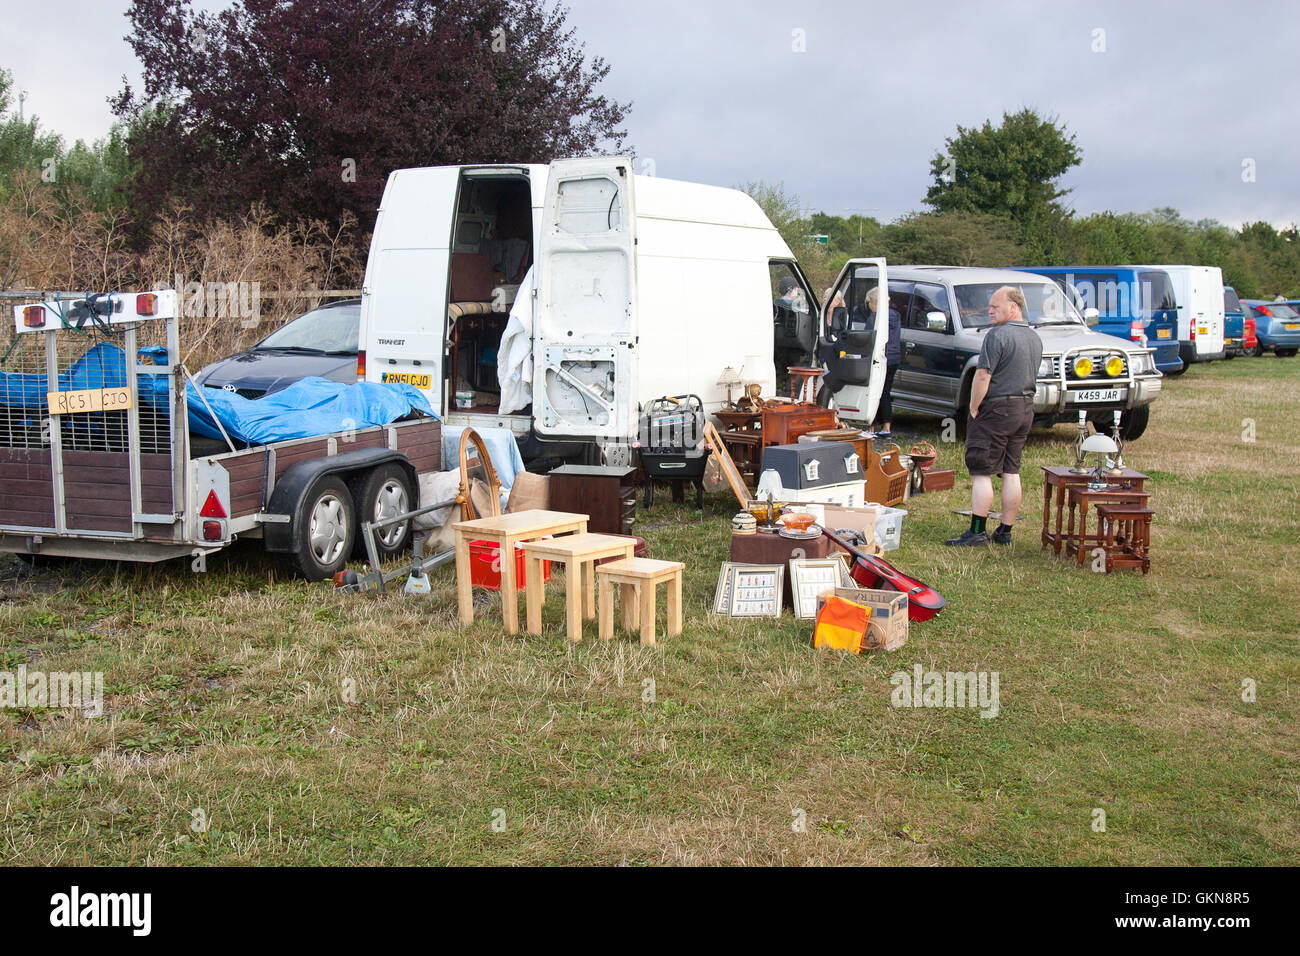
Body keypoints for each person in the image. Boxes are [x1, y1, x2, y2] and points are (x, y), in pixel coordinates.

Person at [944, 285, 1043, 547]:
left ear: (1014, 307)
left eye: (995, 307)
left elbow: (983, 374)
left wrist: (974, 407)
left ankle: (977, 531)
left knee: (981, 469)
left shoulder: (997, 336)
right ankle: (1005, 531)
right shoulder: (1035, 338)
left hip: (997, 408)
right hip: (1025, 408)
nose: (989, 311)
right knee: (1011, 470)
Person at [817, 287, 900, 435]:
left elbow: (868, 340)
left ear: (875, 301)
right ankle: (886, 427)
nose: (868, 305)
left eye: (869, 302)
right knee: (885, 392)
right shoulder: (895, 316)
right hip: (893, 358)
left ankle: (871, 427)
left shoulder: (874, 319)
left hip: (879, 359)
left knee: (874, 390)